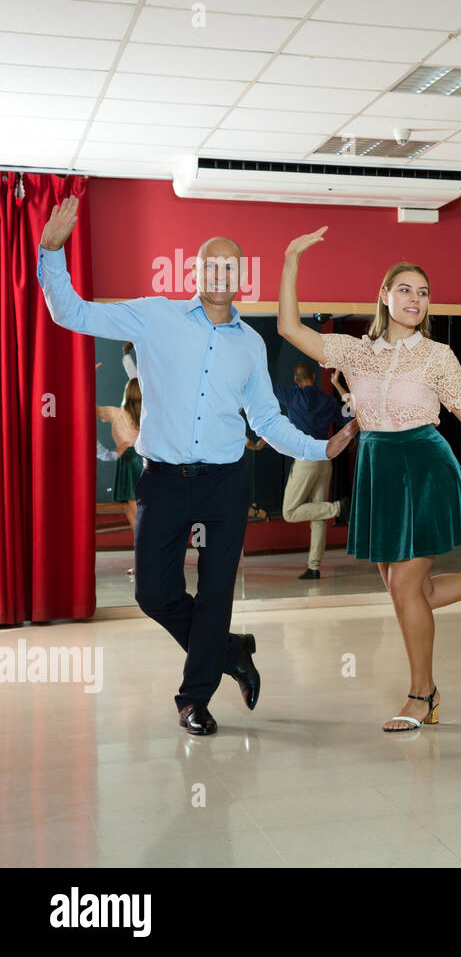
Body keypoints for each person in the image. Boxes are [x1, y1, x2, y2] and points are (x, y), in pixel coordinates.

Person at [37, 197, 358, 736]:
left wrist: (319, 448)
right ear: (196, 270)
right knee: (154, 593)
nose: (218, 272)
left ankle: (194, 698)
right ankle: (229, 650)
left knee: (214, 593)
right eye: (210, 263)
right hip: (163, 481)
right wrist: (51, 250)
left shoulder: (252, 346)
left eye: (229, 265)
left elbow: (268, 421)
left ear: (240, 279)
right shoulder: (153, 314)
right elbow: (71, 311)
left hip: (224, 484)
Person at [275, 227, 461, 732]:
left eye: (423, 292)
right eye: (405, 289)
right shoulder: (354, 351)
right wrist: (289, 259)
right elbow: (287, 328)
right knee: (405, 591)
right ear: (385, 296)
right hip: (377, 466)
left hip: (424, 466)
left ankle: (422, 694)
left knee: (406, 589)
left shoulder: (438, 356)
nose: (415, 299)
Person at [272, 362, 349, 580]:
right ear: (314, 377)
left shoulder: (292, 396)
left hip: (306, 459)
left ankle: (338, 508)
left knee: (289, 512)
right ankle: (313, 567)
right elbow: (346, 416)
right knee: (318, 514)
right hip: (325, 458)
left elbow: (268, 387)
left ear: (296, 381)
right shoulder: (328, 400)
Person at [95, 367, 143, 531]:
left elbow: (91, 408)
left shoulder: (117, 414)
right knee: (129, 505)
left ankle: (142, 542)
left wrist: (87, 378)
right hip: (146, 458)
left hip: (130, 459)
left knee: (132, 503)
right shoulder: (150, 413)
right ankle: (141, 543)